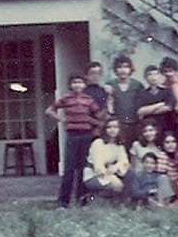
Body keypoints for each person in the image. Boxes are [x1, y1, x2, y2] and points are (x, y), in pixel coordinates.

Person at [45, 73, 102, 208]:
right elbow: (49, 110)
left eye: (80, 82)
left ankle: (81, 200)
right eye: (75, 82)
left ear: (84, 85)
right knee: (69, 169)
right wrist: (61, 119)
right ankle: (63, 202)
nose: (77, 85)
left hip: (87, 135)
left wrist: (91, 121)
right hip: (72, 135)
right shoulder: (66, 99)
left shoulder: (89, 100)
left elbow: (99, 116)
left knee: (84, 169)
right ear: (70, 85)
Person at [82, 118, 130, 202]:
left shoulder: (119, 145)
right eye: (109, 127)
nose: (112, 130)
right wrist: (112, 178)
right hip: (94, 175)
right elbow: (98, 167)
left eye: (115, 127)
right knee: (113, 186)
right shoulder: (98, 143)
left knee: (130, 173)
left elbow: (124, 161)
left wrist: (116, 166)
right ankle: (92, 199)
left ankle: (121, 203)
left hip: (111, 173)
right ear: (105, 129)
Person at [106, 55, 143, 151]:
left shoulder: (138, 85)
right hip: (117, 127)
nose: (123, 70)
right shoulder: (110, 85)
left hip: (134, 125)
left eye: (126, 67)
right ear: (115, 70)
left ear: (130, 69)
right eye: (119, 67)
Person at [136, 65, 175, 136]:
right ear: (145, 78)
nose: (153, 77)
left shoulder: (167, 90)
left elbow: (168, 108)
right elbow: (140, 111)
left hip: (165, 126)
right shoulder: (142, 93)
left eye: (155, 74)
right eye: (150, 75)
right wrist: (160, 104)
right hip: (148, 129)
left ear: (159, 76)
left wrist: (148, 110)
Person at [83, 61, 112, 134]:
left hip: (103, 129)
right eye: (92, 73)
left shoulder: (105, 91)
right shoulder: (83, 92)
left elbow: (108, 109)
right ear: (86, 75)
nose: (95, 76)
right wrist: (97, 123)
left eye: (98, 73)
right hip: (87, 129)